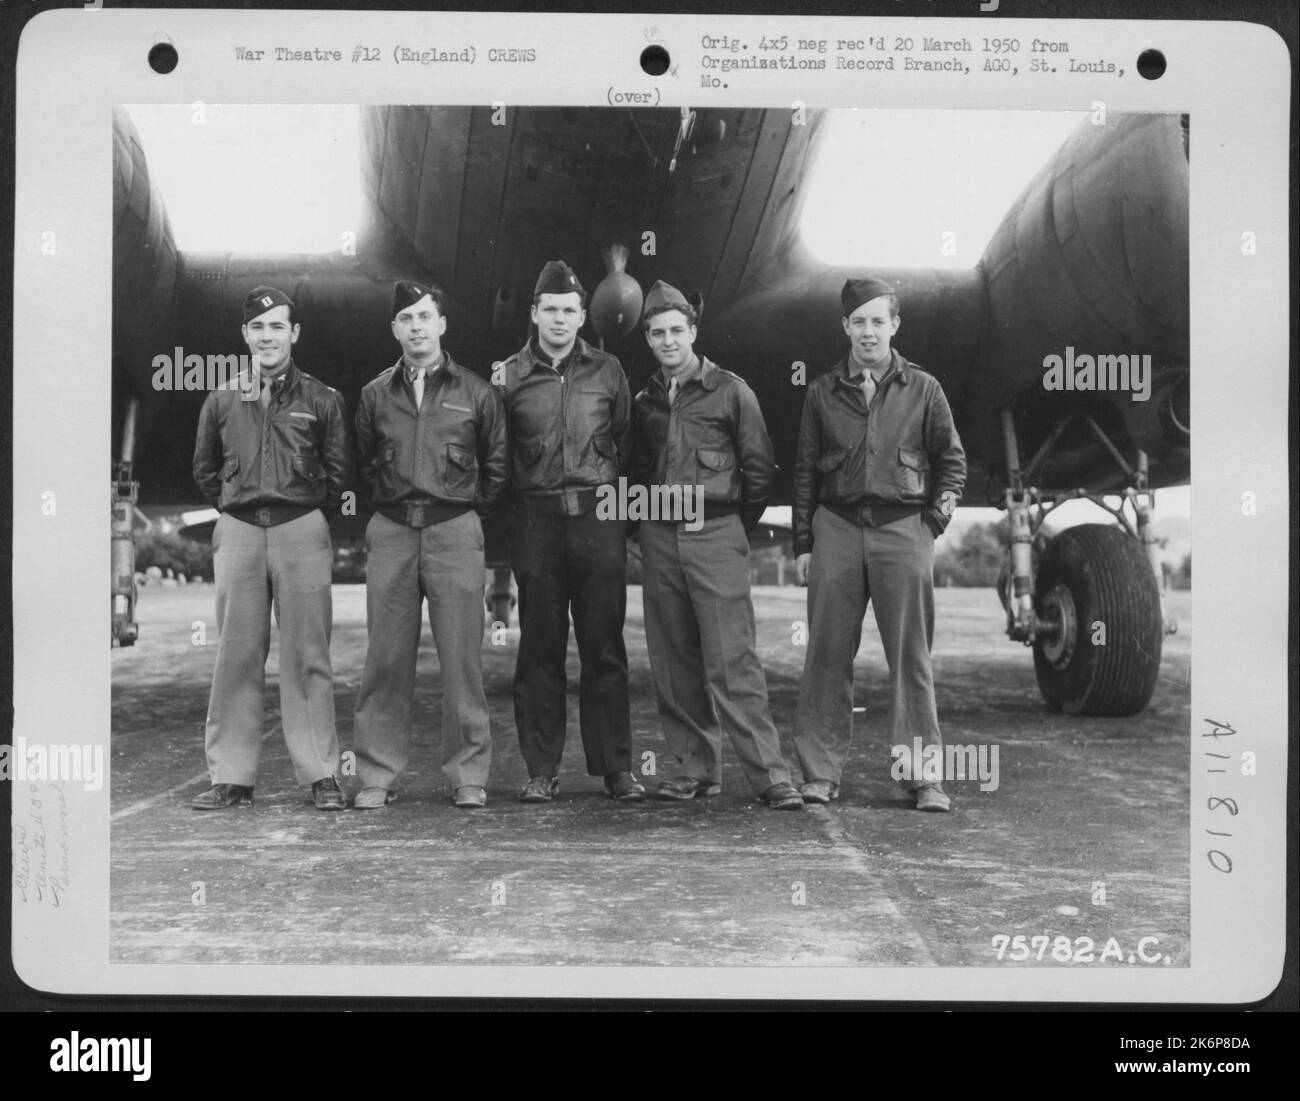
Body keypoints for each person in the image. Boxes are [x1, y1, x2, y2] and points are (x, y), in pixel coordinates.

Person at [791, 277, 966, 811]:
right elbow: (803, 474)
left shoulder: (925, 389)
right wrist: (804, 543)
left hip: (903, 528)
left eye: (878, 321)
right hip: (837, 530)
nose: (869, 332)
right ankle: (819, 774)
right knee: (825, 655)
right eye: (858, 322)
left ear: (895, 325)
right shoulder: (822, 391)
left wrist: (931, 523)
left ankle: (922, 778)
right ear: (845, 327)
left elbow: (952, 465)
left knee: (910, 657)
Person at [631, 280, 804, 810]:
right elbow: (636, 472)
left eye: (676, 331)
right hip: (660, 538)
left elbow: (758, 471)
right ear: (648, 338)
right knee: (673, 658)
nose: (667, 341)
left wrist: (727, 526)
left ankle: (769, 774)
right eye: (657, 333)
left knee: (733, 660)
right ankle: (694, 770)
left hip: (716, 531)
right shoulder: (644, 402)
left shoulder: (732, 391)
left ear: (694, 332)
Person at [191, 285, 355, 810]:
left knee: (308, 654)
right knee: (236, 654)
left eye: (277, 326)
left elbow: (340, 472)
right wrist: (237, 506)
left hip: (301, 528)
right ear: (245, 334)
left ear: (294, 333)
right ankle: (231, 777)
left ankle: (322, 773)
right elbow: (205, 470)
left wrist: (303, 512)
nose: (267, 336)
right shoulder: (220, 399)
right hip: (238, 529)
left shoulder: (323, 399)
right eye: (257, 328)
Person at [351, 281, 508, 810]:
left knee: (462, 657)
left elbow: (498, 468)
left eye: (425, 316)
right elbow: (360, 461)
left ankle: (468, 773)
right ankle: (376, 773)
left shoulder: (477, 392)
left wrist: (461, 511)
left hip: (455, 530)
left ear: (441, 324)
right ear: (394, 328)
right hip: (392, 529)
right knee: (385, 659)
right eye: (405, 319)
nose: (416, 327)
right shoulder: (375, 394)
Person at [495, 261, 644, 803]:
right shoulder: (507, 376)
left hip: (596, 516)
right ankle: (541, 769)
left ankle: (616, 769)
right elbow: (499, 455)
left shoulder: (609, 372)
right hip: (535, 519)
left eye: (569, 310)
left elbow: (626, 446)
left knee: (605, 646)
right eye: (550, 309)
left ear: (584, 315)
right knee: (540, 647)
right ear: (534, 314)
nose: (560, 319)